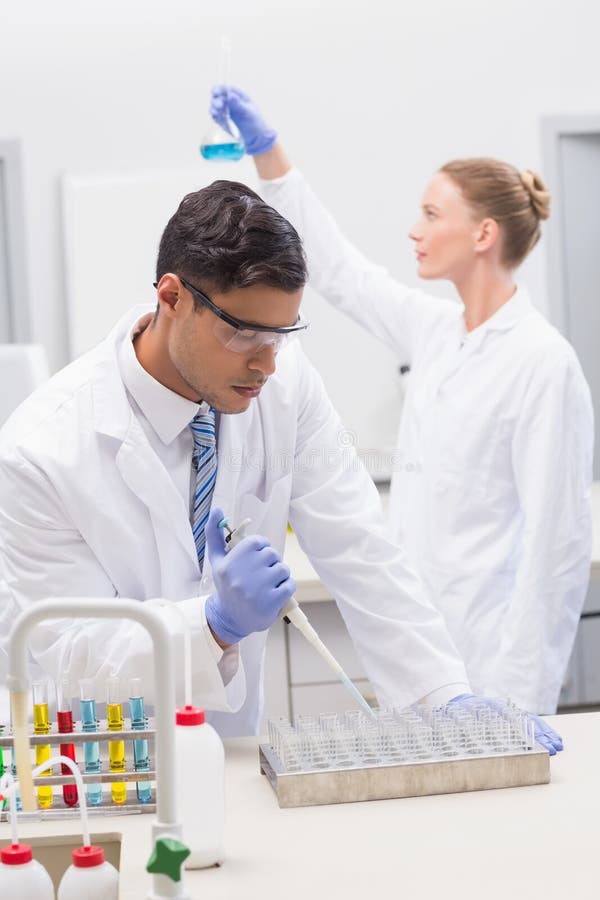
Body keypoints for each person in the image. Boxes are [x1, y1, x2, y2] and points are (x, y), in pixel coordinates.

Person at [0, 179, 561, 752]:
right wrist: (212, 625)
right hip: (97, 767)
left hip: (233, 753)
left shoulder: (282, 386)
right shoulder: (40, 451)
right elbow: (70, 654)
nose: (266, 365)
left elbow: (362, 549)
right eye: (244, 333)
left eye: (282, 335)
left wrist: (442, 697)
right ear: (172, 298)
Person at [210, 86, 594, 716]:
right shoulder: (438, 331)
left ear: (483, 234)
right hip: (420, 652)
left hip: (493, 664)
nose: (415, 230)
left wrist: (521, 700)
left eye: (432, 215)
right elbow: (338, 272)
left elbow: (557, 551)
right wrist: (270, 153)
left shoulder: (542, 362)